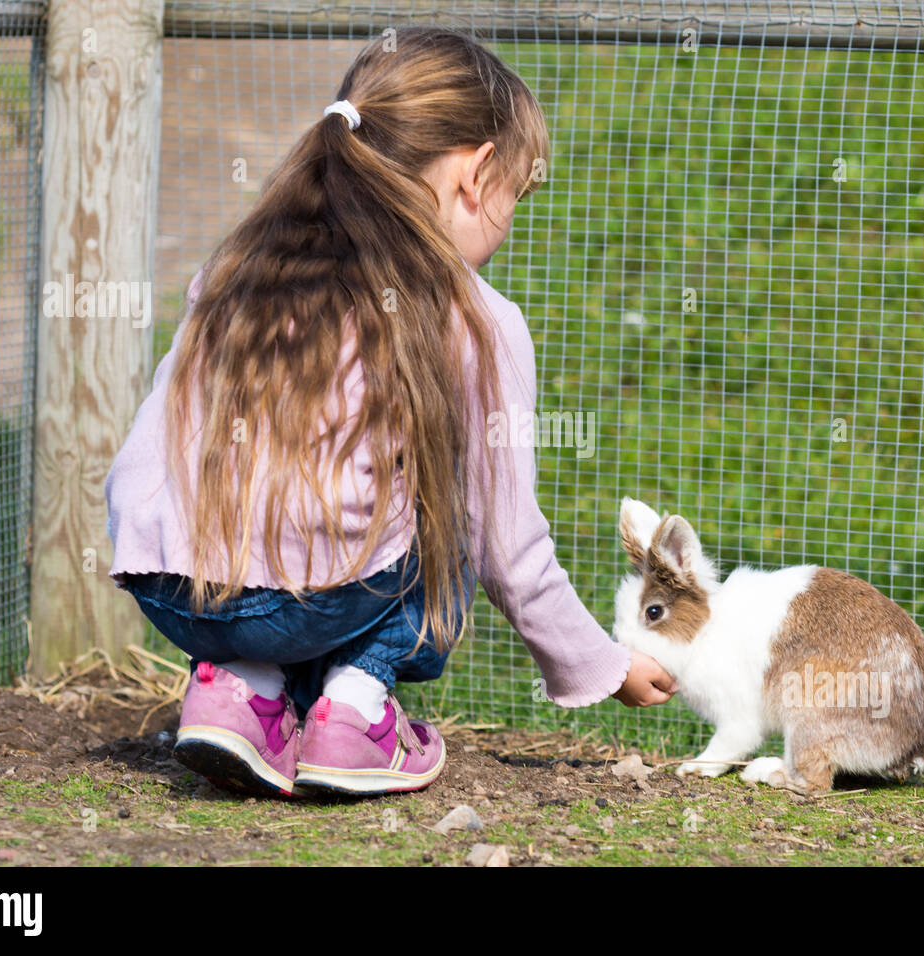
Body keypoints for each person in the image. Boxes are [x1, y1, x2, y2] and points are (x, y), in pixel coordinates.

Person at [104, 25, 677, 799]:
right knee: (433, 505)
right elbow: (507, 546)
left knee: (295, 498)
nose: (509, 225)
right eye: (516, 196)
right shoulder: (472, 317)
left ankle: (240, 690)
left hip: (167, 581)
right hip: (307, 598)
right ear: (476, 176)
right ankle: (353, 710)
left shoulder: (240, 266)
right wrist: (603, 666)